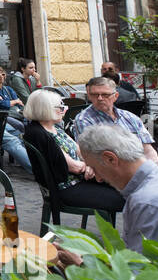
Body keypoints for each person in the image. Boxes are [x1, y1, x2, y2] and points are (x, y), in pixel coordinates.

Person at [77, 125, 158, 253]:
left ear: (110, 159)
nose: (98, 178)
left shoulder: (148, 202)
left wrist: (81, 263)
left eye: (94, 168)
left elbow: (139, 269)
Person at [21, 90, 123, 221]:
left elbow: (81, 151)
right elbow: (74, 167)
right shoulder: (39, 134)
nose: (65, 109)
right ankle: (125, 238)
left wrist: (92, 165)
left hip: (80, 179)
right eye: (61, 107)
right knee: (125, 196)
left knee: (124, 186)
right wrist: (91, 167)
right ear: (46, 109)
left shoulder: (54, 128)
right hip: (67, 187)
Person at [71, 76, 156, 162]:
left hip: (142, 167)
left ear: (115, 96)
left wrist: (152, 167)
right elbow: (93, 157)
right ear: (89, 96)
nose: (100, 98)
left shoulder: (130, 117)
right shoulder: (84, 120)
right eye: (95, 95)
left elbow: (148, 150)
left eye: (105, 95)